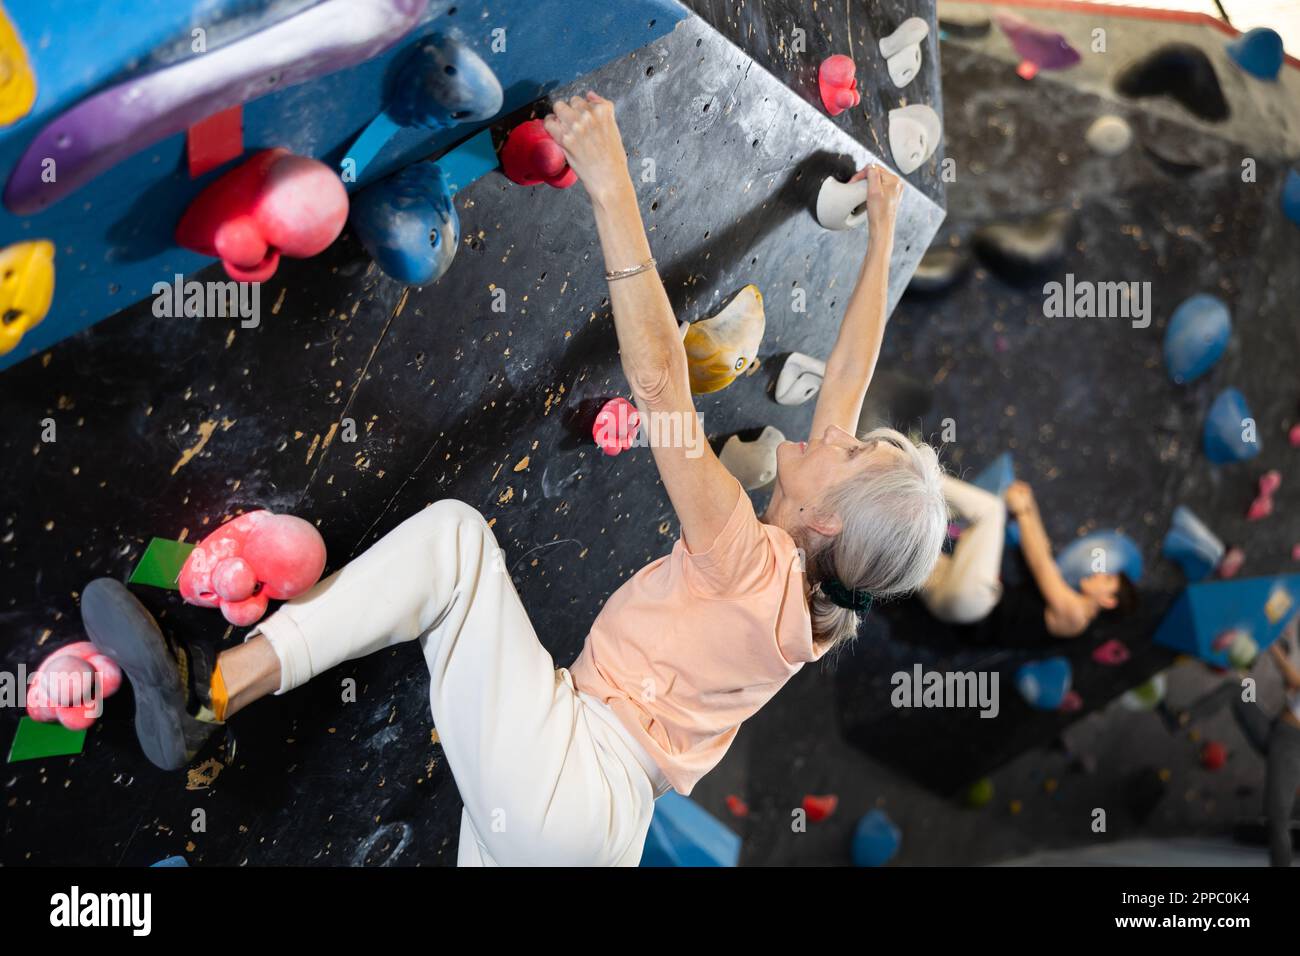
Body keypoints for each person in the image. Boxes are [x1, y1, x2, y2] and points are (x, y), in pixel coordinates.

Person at [80, 91, 948, 866]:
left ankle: (212, 692)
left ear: (829, 521)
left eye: (855, 450)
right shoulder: (822, 607)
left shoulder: (751, 562)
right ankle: (208, 710)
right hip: (589, 823)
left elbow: (660, 388)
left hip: (575, 786)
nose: (840, 434)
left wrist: (611, 185)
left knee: (455, 545)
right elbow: (846, 382)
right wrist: (880, 236)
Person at [920, 477, 1137, 640]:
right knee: (910, 546)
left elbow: (1040, 565)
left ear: (1109, 601)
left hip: (971, 604)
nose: (1099, 573)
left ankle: (914, 466)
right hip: (957, 601)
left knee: (991, 511)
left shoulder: (1076, 616)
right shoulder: (1069, 602)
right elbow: (1043, 551)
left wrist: (1022, 510)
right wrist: (1029, 503)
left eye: (1107, 580)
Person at [1233, 619, 1300, 867]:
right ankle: (1180, 717)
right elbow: (1291, 688)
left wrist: (1274, 648)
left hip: (1291, 744)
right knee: (1238, 694)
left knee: (1277, 817)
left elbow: (1295, 682)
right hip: (1278, 731)